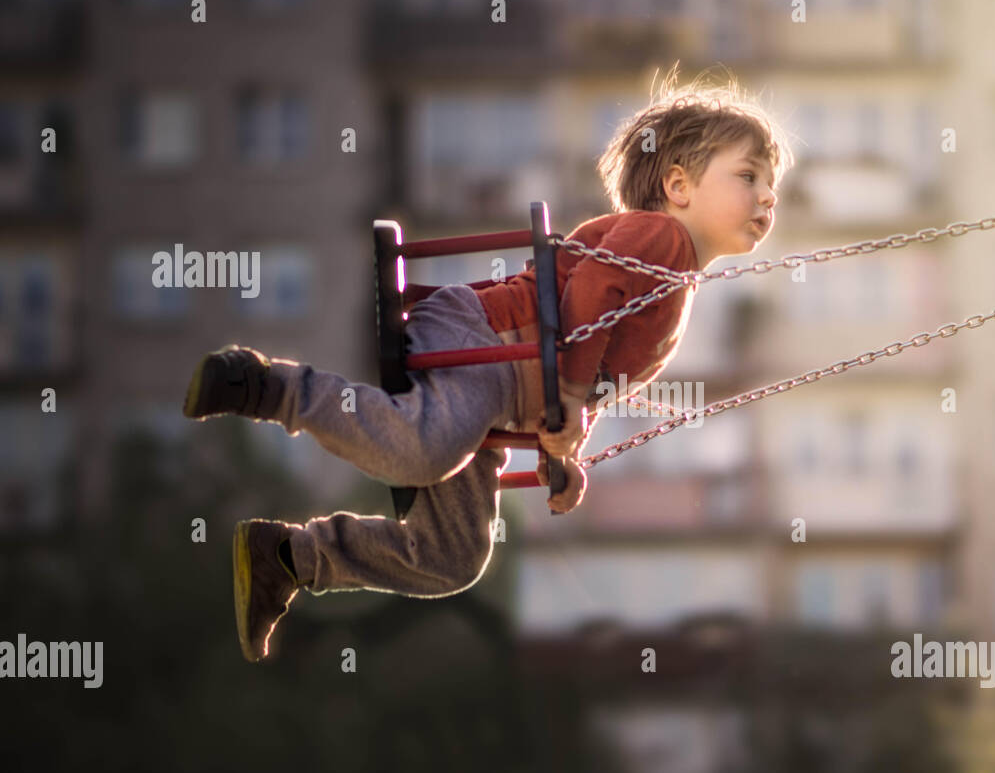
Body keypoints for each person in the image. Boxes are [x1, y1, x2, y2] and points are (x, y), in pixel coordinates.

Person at [181, 68, 793, 662]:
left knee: (452, 557)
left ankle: (287, 558)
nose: (768, 194)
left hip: (501, 396)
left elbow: (590, 369)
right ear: (680, 185)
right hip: (481, 335)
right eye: (748, 175)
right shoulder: (659, 238)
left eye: (772, 183)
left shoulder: (677, 280)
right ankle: (264, 386)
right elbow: (588, 299)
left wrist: (563, 452)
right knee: (426, 448)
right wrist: (573, 396)